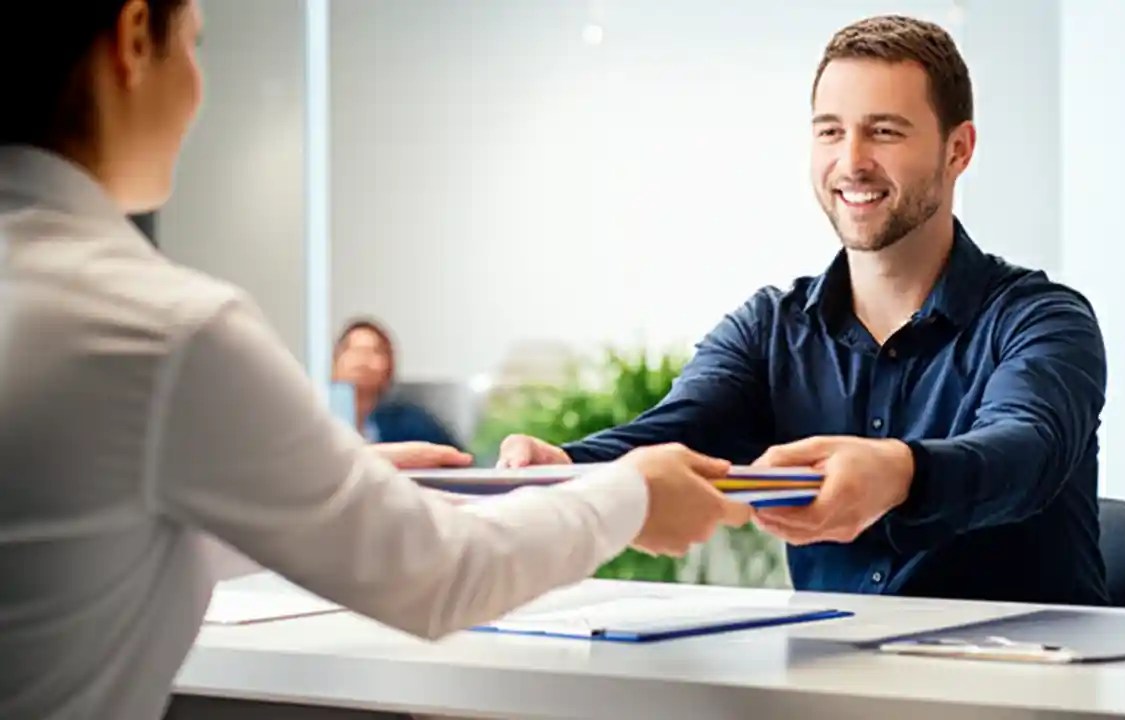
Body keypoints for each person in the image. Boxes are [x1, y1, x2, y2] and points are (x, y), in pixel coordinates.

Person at [0, 2, 751, 718]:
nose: (200, 86)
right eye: (195, 44)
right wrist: (629, 496)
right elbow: (441, 577)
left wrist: (334, 485)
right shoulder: (168, 331)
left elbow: (83, 535)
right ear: (135, 38)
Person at [501, 15, 1109, 607]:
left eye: (885, 131)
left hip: (1022, 691)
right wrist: (566, 466)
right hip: (834, 682)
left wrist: (899, 471)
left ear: (959, 149)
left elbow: (1024, 450)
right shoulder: (770, 329)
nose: (852, 161)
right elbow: (680, 429)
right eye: (829, 131)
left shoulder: (1043, 321)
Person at [332, 317, 461, 447]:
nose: (362, 360)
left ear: (389, 366)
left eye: (374, 351)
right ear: (335, 362)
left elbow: (457, 459)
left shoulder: (412, 423)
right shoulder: (320, 418)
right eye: (354, 350)